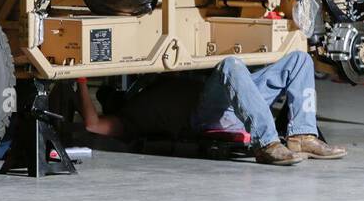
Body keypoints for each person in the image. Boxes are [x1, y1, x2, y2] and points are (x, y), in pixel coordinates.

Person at [74, 51, 346, 166]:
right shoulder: (130, 118)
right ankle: (267, 144)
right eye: (111, 95)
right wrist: (82, 81)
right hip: (208, 115)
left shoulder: (150, 84)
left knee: (300, 59)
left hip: (236, 100)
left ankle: (303, 136)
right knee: (231, 65)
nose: (118, 93)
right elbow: (92, 124)